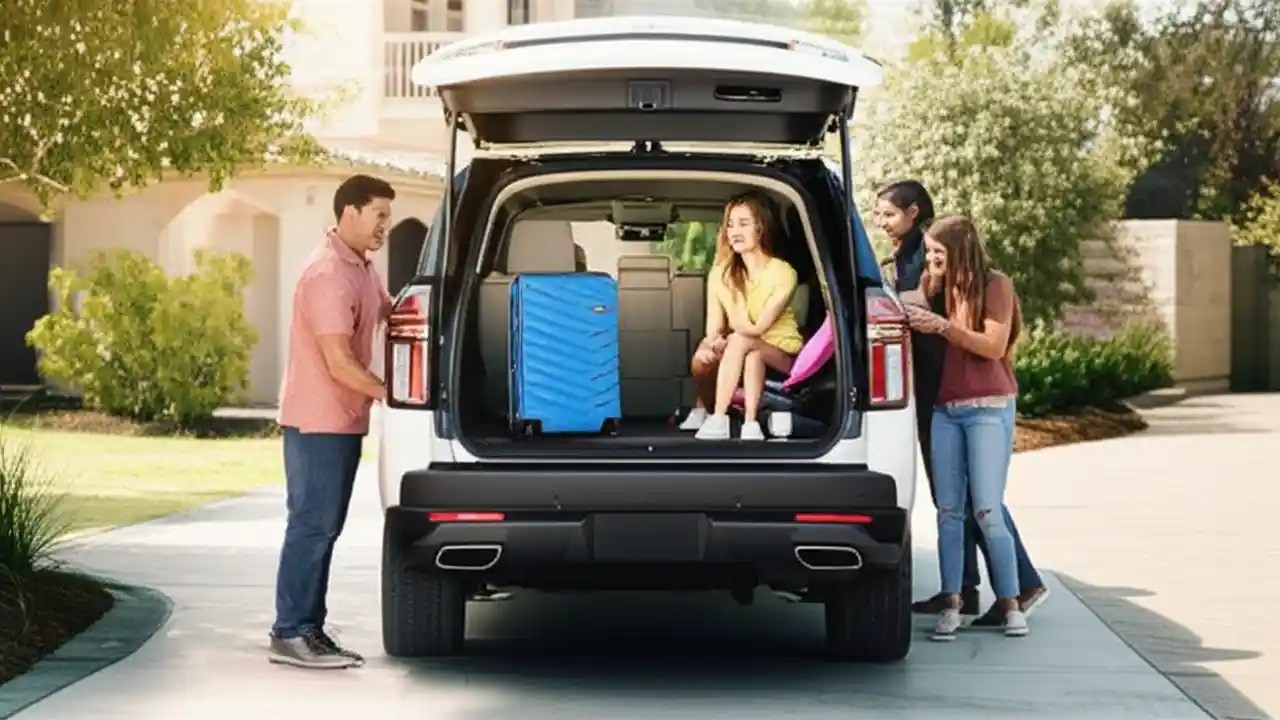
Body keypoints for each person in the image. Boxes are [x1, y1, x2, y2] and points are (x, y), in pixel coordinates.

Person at [875, 181, 1049, 629]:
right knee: (953, 498)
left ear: (914, 213)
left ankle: (1019, 586)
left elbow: (964, 329)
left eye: (888, 214)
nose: (881, 222)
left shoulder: (932, 255)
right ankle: (965, 589)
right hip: (938, 390)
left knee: (976, 499)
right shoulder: (909, 259)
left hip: (951, 390)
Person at [269, 174, 396, 669]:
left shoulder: (361, 267)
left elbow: (391, 311)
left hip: (343, 420)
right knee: (312, 526)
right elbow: (339, 362)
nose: (385, 225)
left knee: (325, 527)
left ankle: (309, 628)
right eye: (379, 214)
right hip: (317, 421)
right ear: (350, 212)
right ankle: (291, 632)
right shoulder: (328, 273)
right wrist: (396, 395)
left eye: (388, 216)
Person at [904, 214, 1034, 640]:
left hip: (988, 408)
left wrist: (944, 326)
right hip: (947, 408)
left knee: (987, 510)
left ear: (960, 250)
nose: (931, 259)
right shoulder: (941, 286)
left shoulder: (996, 285)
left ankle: (1012, 604)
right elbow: (917, 303)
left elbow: (993, 346)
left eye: (938, 252)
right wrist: (931, 285)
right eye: (929, 252)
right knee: (948, 511)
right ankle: (952, 603)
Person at [677, 193, 804, 441]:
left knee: (742, 341)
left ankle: (719, 417)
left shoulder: (783, 272)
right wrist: (714, 342)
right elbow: (714, 328)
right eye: (730, 225)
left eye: (743, 224)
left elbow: (755, 329)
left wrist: (733, 303)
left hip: (781, 352)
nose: (734, 232)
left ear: (760, 228)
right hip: (746, 349)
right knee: (705, 357)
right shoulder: (721, 273)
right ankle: (746, 423)